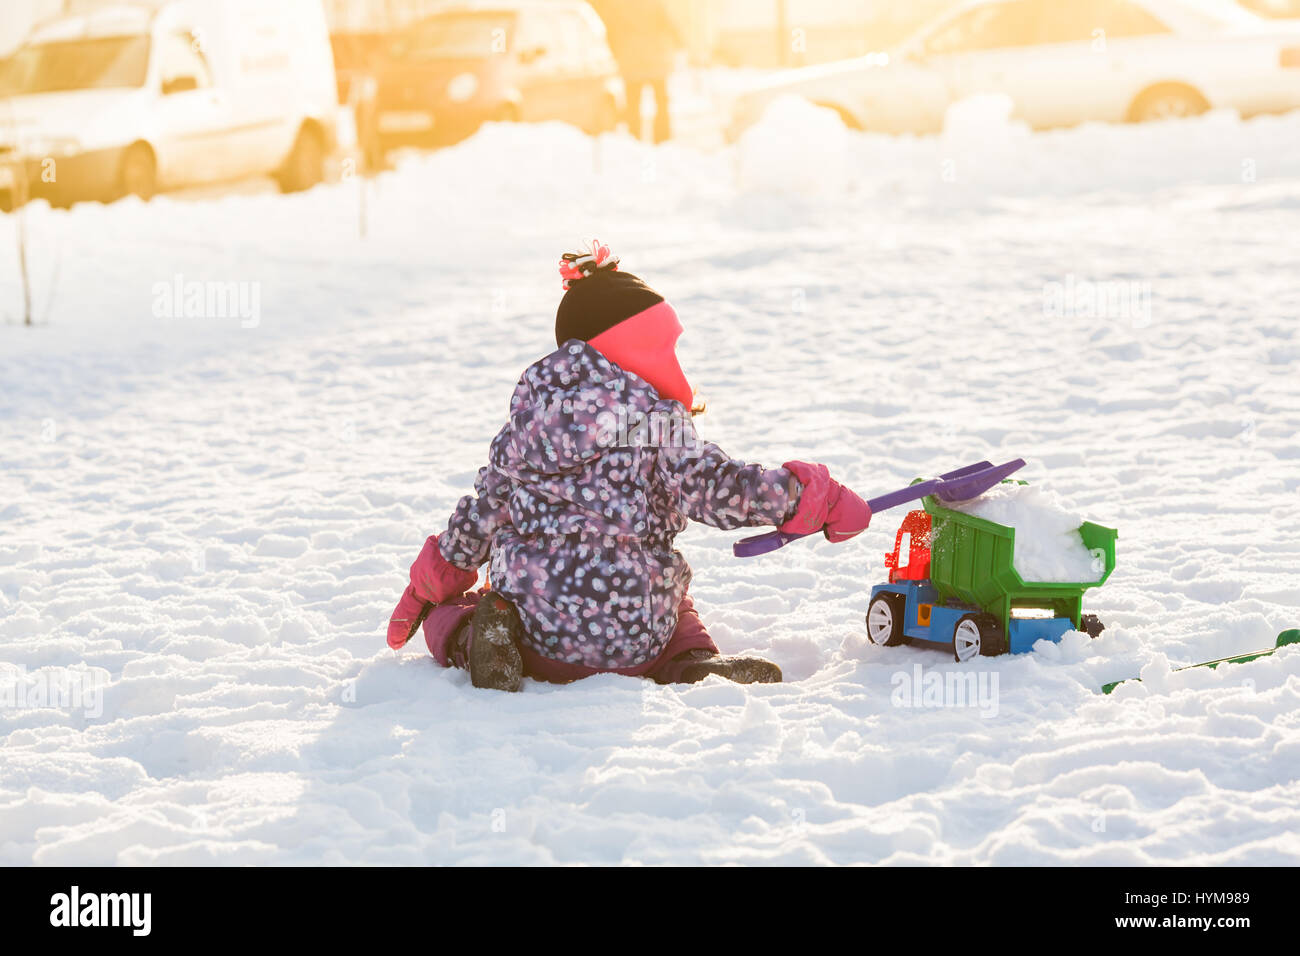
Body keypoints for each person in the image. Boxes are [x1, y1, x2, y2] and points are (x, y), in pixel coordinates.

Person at [385, 241, 872, 691]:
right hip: (638, 637)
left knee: (446, 613)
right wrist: (816, 497)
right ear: (638, 348)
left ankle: (480, 636)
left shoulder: (523, 433)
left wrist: (426, 588)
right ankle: (690, 658)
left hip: (538, 637)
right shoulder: (658, 425)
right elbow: (724, 489)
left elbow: (476, 524)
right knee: (673, 596)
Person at [590, 0, 681, 143]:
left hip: (631, 60)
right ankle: (662, 139)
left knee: (633, 103)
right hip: (655, 58)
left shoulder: (619, 5)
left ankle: (634, 139)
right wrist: (678, 43)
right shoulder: (655, 3)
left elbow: (611, 29)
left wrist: (616, 52)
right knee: (661, 102)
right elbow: (669, 24)